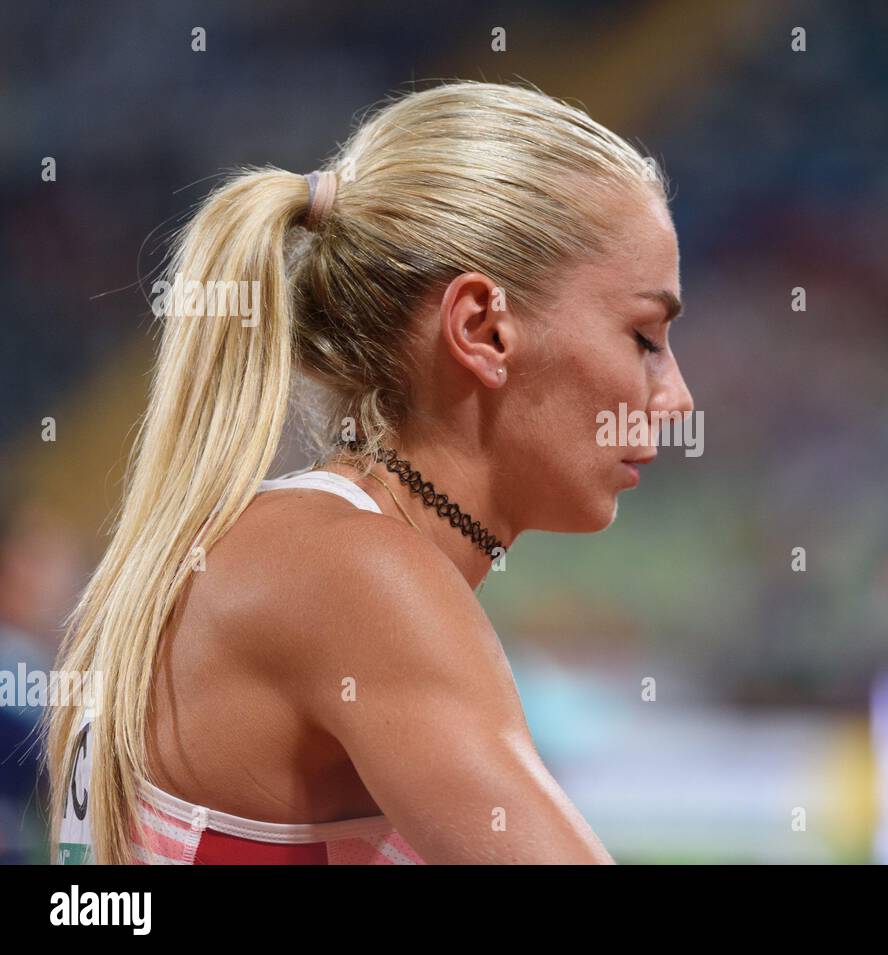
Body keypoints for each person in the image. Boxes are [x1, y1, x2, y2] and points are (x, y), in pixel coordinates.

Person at [42, 79, 692, 864]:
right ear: (484, 329)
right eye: (645, 336)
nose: (676, 398)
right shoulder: (356, 575)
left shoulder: (277, 545)